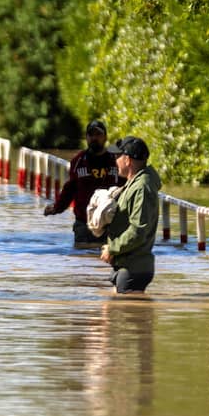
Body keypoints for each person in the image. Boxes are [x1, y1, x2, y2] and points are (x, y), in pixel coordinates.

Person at [43, 120, 124, 247]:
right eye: (91, 135)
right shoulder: (78, 161)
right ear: (86, 138)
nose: (94, 138)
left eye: (98, 134)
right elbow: (70, 189)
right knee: (82, 260)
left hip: (109, 224)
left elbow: (126, 187)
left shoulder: (115, 160)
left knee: (105, 262)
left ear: (105, 137)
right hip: (83, 224)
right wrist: (57, 207)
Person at [100, 136, 161, 294]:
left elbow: (137, 231)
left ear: (127, 160)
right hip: (126, 265)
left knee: (128, 317)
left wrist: (112, 249)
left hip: (134, 268)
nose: (115, 161)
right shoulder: (134, 183)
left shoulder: (142, 187)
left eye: (117, 156)